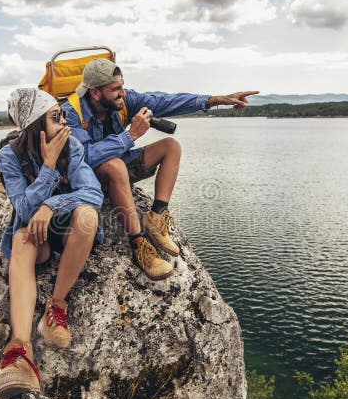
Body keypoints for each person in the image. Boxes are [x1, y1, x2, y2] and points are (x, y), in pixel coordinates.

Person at [62, 58, 257, 280]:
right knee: (115, 165)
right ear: (95, 93)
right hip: (88, 179)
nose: (123, 94)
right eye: (115, 89)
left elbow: (166, 101)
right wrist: (131, 135)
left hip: (119, 171)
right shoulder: (70, 114)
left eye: (122, 87)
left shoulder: (125, 101)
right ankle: (139, 244)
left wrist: (216, 100)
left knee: (170, 147)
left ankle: (156, 217)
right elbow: (83, 157)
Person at [0, 87, 104, 398]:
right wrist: (49, 168)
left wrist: (50, 205)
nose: (65, 122)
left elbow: (93, 195)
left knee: (87, 217)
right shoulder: (9, 156)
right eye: (56, 117)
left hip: (69, 231)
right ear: (36, 125)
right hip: (37, 238)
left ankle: (55, 308)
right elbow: (23, 210)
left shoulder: (74, 146)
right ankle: (20, 352)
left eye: (63, 114)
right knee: (20, 238)